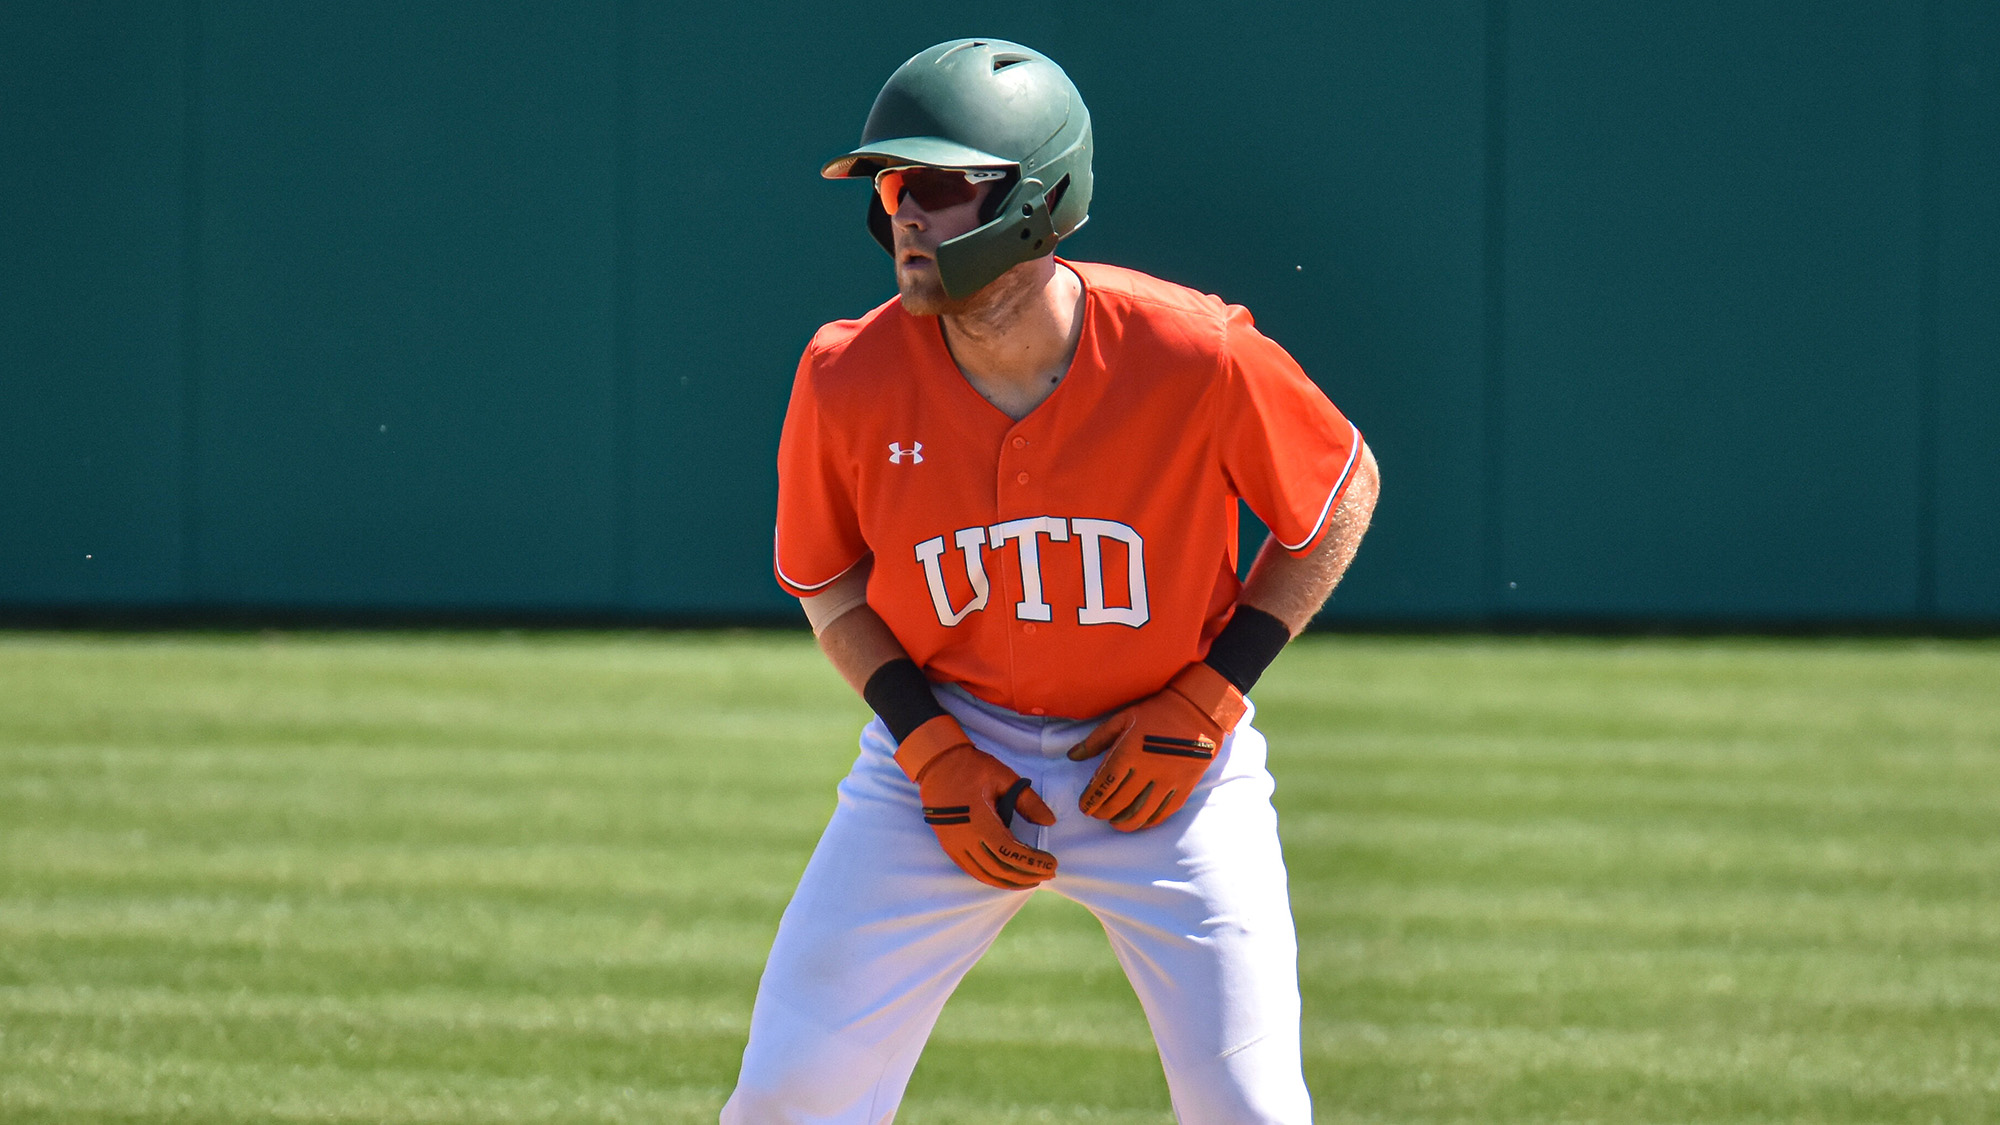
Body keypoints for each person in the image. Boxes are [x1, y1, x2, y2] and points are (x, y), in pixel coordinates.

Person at [723, 38, 1379, 1124]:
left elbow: (1341, 491)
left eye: (939, 185)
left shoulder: (1194, 352)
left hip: (1171, 763)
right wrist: (926, 744)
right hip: (946, 746)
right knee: (788, 1094)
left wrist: (1212, 695)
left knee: (1251, 1107)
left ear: (1039, 200)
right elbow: (828, 586)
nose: (906, 215)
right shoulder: (846, 374)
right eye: (891, 188)